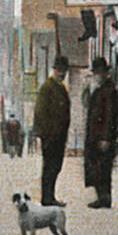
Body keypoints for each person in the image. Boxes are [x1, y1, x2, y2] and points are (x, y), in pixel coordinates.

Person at [33, 56, 70, 206]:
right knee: (49, 167)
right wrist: (43, 136)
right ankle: (46, 198)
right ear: (54, 70)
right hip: (50, 137)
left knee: (56, 167)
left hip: (60, 136)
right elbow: (40, 112)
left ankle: (50, 196)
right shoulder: (47, 87)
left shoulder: (61, 88)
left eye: (64, 71)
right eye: (59, 70)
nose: (62, 74)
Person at [84, 57, 118, 208]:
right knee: (97, 168)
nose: (98, 75)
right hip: (96, 136)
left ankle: (105, 198)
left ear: (105, 73)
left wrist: (106, 137)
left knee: (103, 169)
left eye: (100, 73)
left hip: (102, 137)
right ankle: (102, 197)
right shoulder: (99, 90)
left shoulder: (109, 91)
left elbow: (110, 115)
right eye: (96, 73)